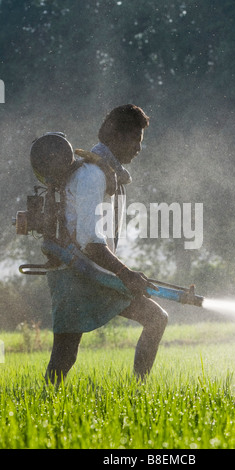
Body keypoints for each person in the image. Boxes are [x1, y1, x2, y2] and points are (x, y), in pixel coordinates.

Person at [45, 104, 168, 385]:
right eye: (134, 138)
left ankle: (138, 390)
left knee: (65, 353)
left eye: (141, 140)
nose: (138, 147)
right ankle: (138, 390)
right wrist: (125, 274)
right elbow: (91, 242)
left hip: (84, 272)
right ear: (115, 136)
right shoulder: (92, 175)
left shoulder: (106, 174)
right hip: (77, 273)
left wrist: (123, 273)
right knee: (66, 352)